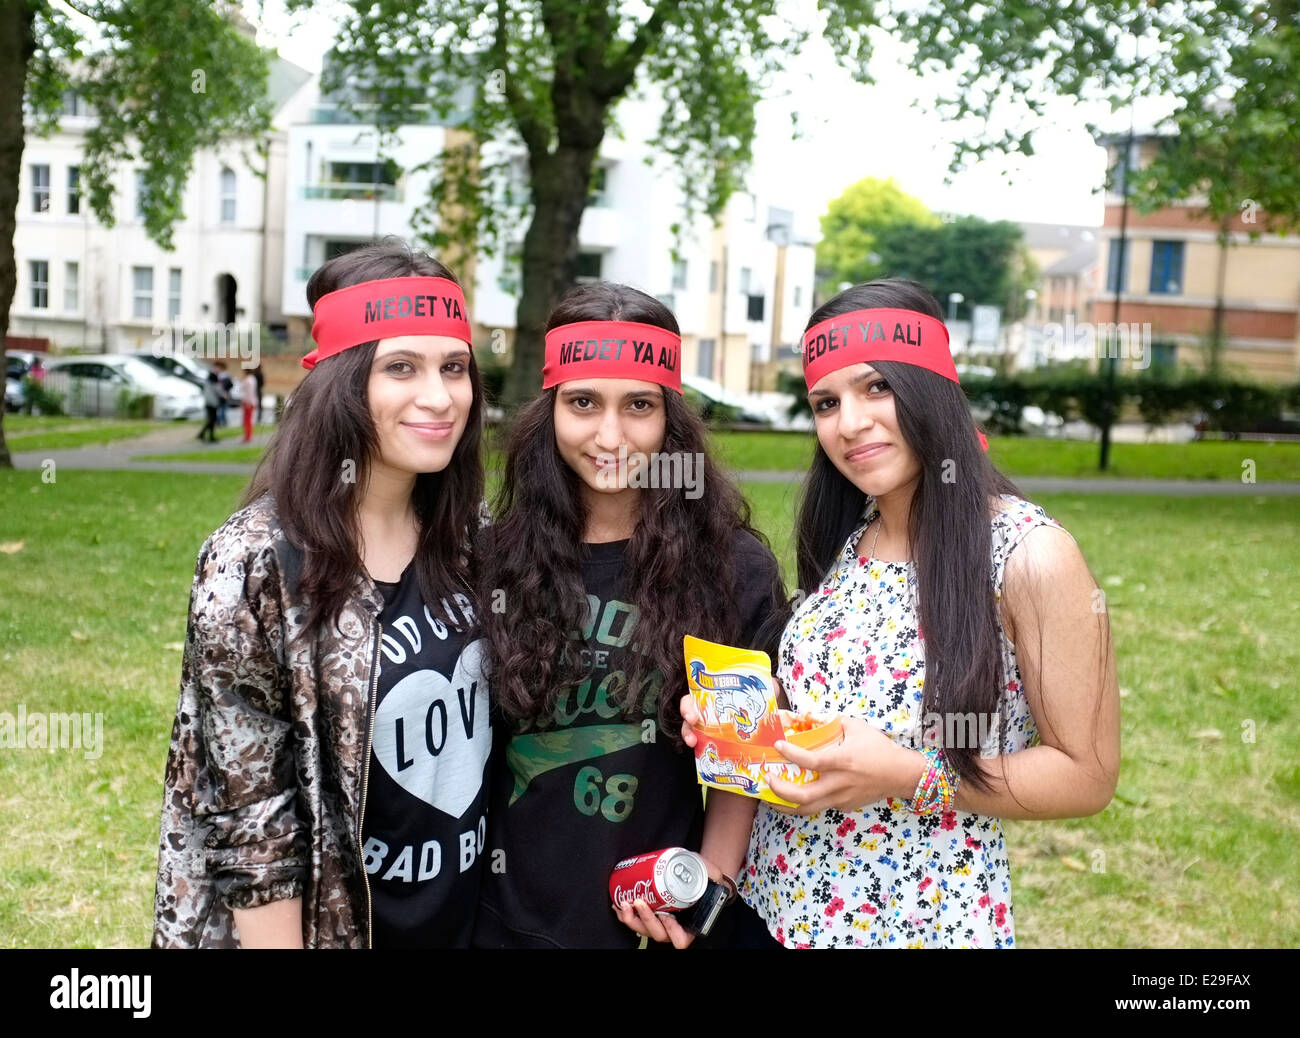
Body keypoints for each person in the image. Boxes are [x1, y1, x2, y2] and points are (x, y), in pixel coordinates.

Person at [683, 278, 1120, 948]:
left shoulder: (1030, 556)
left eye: (876, 387)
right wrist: (750, 723)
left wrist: (909, 775)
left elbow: (1085, 775)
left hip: (918, 925)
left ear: (932, 388)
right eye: (826, 403)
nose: (850, 423)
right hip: (770, 915)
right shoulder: (848, 537)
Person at [153, 239, 488, 948]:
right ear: (342, 381)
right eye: (401, 367)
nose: (439, 396)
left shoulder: (473, 540)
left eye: (454, 367)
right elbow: (251, 827)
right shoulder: (252, 565)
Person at [472, 282, 786, 949]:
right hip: (502, 918)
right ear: (549, 410)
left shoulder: (734, 570)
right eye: (583, 402)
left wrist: (714, 881)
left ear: (669, 418)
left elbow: (741, 756)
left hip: (652, 914)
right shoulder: (491, 558)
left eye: (638, 406)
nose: (609, 435)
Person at [196, 368, 222, 442]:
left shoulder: (207, 384)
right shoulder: (214, 384)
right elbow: (220, 392)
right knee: (212, 421)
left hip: (208, 403)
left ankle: (205, 435)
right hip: (213, 404)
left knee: (211, 420)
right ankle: (207, 435)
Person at [240, 365, 258, 442]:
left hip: (248, 402)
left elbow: (250, 392)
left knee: (247, 420)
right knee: (247, 420)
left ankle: (248, 436)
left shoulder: (248, 380)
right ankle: (248, 435)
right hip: (250, 401)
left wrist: (248, 402)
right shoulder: (252, 379)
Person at [215, 361, 234, 426]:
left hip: (223, 394)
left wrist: (226, 392)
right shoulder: (222, 375)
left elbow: (229, 385)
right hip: (222, 394)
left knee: (222, 409)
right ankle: (223, 422)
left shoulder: (223, 376)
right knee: (222, 409)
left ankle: (221, 422)